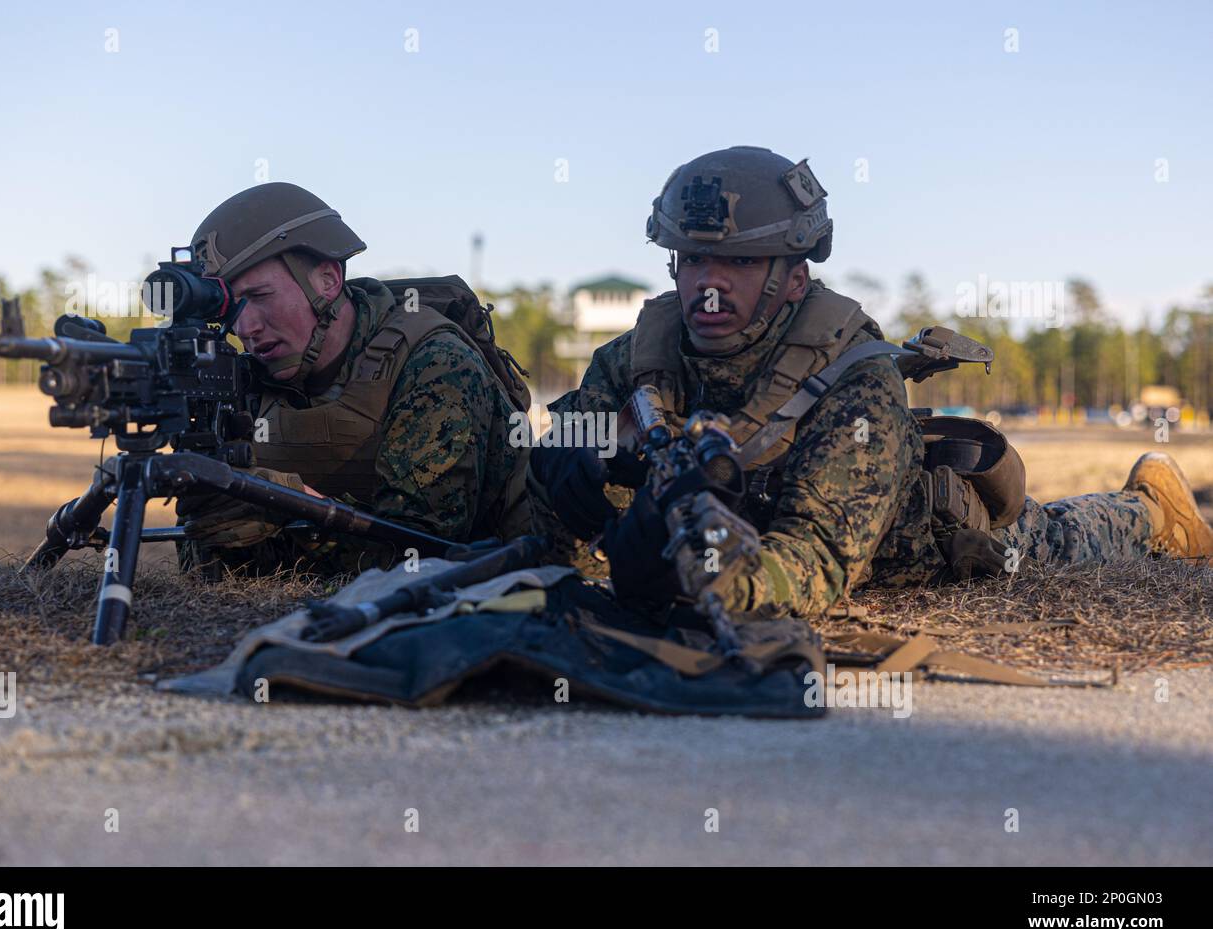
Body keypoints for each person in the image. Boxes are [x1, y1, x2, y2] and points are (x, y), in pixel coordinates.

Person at [529, 146, 1213, 617]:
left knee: (1052, 539)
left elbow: (818, 563)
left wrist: (721, 580)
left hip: (914, 546)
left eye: (738, 261)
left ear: (793, 276)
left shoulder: (856, 377)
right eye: (694, 258)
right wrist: (578, 469)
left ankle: (1150, 509)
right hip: (734, 528)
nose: (709, 280)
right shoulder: (638, 356)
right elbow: (568, 440)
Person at [177, 182, 532, 575]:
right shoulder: (243, 380)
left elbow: (423, 551)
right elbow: (211, 569)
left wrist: (287, 505)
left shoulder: (434, 362)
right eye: (229, 308)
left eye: (259, 296)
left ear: (327, 280)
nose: (244, 327)